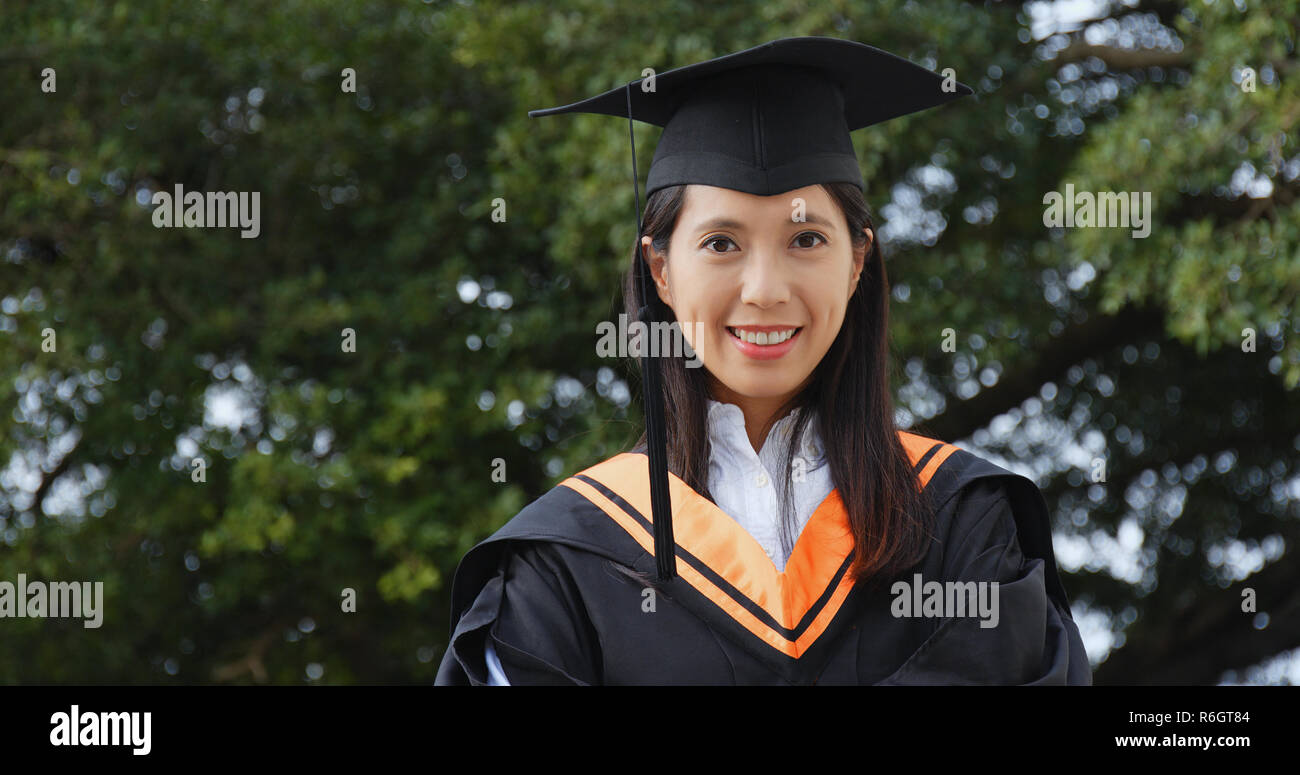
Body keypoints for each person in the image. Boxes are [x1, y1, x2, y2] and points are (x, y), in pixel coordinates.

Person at [436, 37, 1092, 685]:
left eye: (806, 238)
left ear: (858, 260)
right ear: (660, 268)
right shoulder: (561, 565)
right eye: (721, 242)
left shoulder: (964, 526)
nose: (765, 289)